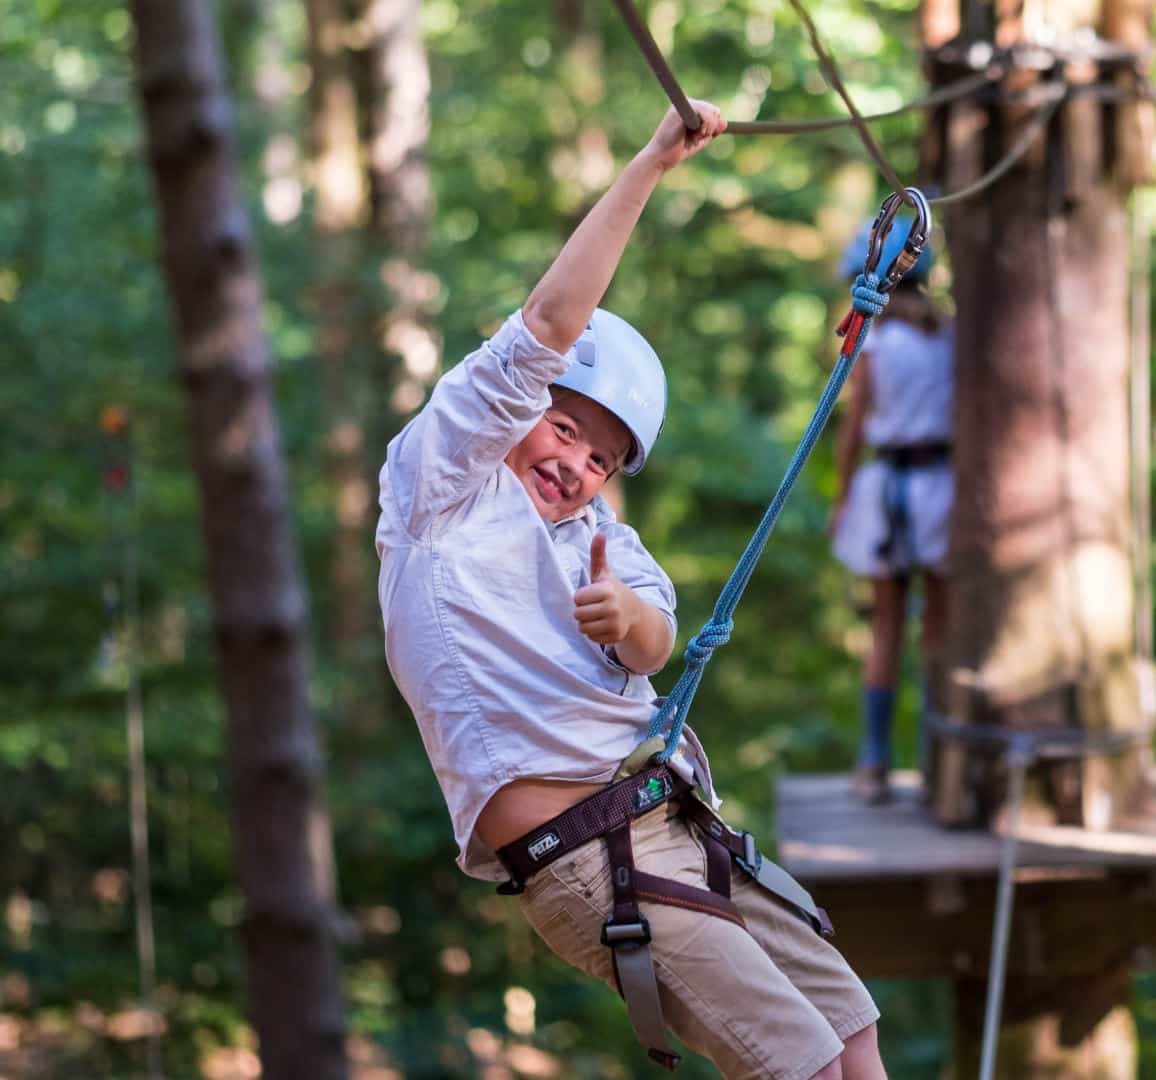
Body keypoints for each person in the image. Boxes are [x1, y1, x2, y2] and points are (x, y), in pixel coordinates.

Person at [376, 102, 885, 1080]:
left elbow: (657, 646)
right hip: (584, 859)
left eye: (602, 457)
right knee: (806, 1071)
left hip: (677, 826)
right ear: (520, 412)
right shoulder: (439, 493)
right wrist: (653, 162)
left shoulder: (605, 541)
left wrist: (632, 622)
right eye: (563, 430)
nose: (575, 465)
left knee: (853, 1042)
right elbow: (548, 328)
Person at [829, 217, 954, 806]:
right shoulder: (949, 335)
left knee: (886, 626)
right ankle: (938, 756)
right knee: (937, 628)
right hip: (942, 488)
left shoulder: (876, 340)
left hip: (889, 488)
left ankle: (875, 761)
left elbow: (854, 427)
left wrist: (842, 495)